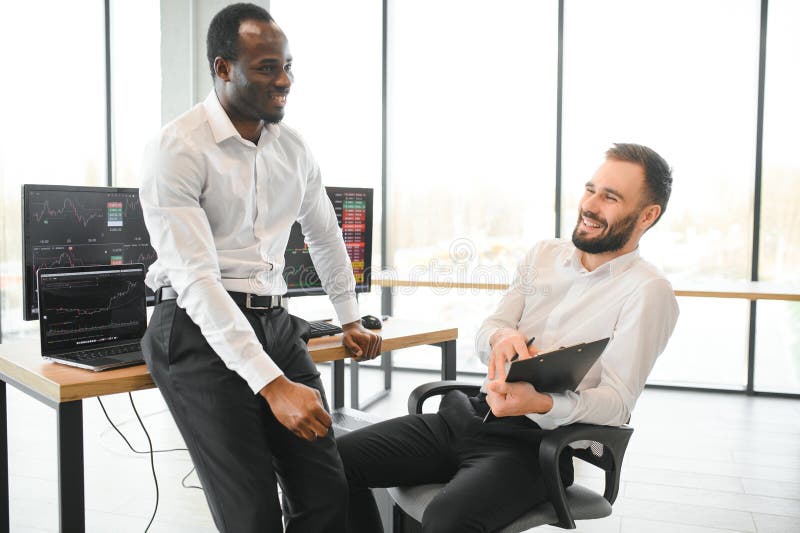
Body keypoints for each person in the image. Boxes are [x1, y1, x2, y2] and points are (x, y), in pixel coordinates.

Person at [339, 143, 680, 532]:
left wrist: (542, 402)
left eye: (610, 197)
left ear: (647, 215)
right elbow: (489, 329)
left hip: (534, 448)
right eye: (590, 189)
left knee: (447, 522)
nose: (590, 204)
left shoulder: (647, 290)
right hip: (468, 415)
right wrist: (500, 336)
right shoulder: (543, 255)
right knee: (330, 462)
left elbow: (617, 405)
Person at [139, 4, 381, 532]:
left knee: (326, 494)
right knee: (252, 515)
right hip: (194, 328)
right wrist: (272, 386)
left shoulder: (293, 148)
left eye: (289, 66)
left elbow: (325, 232)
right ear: (224, 68)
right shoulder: (176, 148)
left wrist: (349, 316)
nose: (286, 80)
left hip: (274, 321)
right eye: (269, 67)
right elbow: (198, 282)